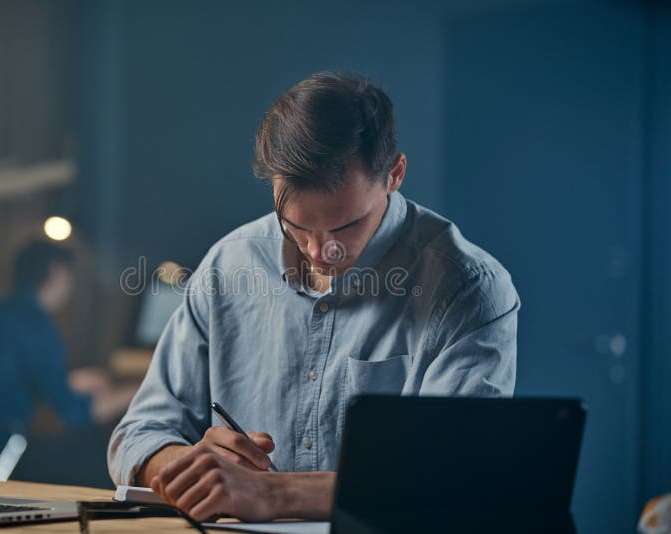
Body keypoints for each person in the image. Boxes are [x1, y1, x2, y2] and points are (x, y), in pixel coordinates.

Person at [108, 72, 521, 521]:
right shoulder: (229, 264)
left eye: (345, 226)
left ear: (394, 174)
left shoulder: (468, 288)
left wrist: (272, 494)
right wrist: (193, 470)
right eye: (296, 226)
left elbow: (454, 475)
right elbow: (139, 434)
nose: (320, 252)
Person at [0, 241, 133, 472]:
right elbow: (73, 412)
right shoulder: (38, 326)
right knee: (95, 459)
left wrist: (73, 380)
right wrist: (142, 389)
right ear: (56, 271)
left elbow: (9, 378)